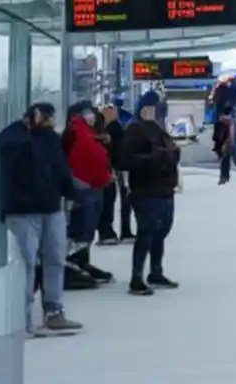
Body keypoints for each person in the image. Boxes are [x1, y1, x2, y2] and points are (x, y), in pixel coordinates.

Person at [0, 102, 82, 336]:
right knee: (26, 262)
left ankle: (54, 310)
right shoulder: (13, 136)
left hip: (51, 208)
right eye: (47, 118)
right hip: (21, 210)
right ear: (34, 116)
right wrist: (30, 126)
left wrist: (71, 193)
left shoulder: (51, 139)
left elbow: (61, 168)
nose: (51, 123)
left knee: (55, 257)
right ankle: (21, 318)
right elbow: (12, 148)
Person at [118, 90, 180, 296]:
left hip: (164, 189)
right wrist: (158, 156)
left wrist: (170, 155)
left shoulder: (158, 129)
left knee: (161, 231)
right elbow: (125, 160)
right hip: (146, 190)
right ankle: (137, 277)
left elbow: (172, 152)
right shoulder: (134, 129)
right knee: (147, 232)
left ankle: (155, 271)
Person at [63, 101, 114, 285]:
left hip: (94, 185)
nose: (91, 116)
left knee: (89, 226)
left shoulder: (92, 133)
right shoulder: (76, 134)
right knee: (81, 228)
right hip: (83, 186)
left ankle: (81, 262)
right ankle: (72, 265)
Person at [97, 104, 133, 244]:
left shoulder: (108, 130)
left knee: (111, 200)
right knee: (121, 200)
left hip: (113, 169)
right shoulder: (116, 129)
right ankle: (122, 231)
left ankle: (108, 231)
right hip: (117, 169)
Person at [211, 106, 233, 185]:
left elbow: (215, 137)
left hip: (220, 144)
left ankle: (223, 177)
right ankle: (226, 176)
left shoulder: (219, 122)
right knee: (226, 161)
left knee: (223, 160)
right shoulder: (231, 122)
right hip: (228, 143)